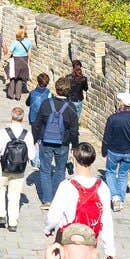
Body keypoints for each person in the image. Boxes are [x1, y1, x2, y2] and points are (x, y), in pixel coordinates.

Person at [44, 143, 116, 259]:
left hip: (68, 239)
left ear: (73, 157)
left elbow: (53, 216)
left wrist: (49, 229)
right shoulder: (102, 187)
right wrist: (110, 251)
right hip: (90, 240)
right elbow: (106, 220)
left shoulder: (66, 185)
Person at [0, 107, 35, 231]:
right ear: (23, 118)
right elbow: (31, 156)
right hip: (19, 169)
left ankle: (0, 216)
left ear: (11, 117)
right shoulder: (27, 134)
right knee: (15, 195)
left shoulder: (4, 132)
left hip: (3, 167)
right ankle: (12, 222)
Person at [32, 77, 79, 208]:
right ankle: (57, 198)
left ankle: (47, 200)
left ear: (56, 89)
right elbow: (74, 130)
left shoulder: (47, 103)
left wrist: (35, 139)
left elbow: (37, 124)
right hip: (63, 143)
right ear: (68, 90)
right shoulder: (71, 108)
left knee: (45, 170)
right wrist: (74, 147)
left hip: (46, 142)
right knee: (59, 170)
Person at [101, 91, 130, 212]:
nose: (118, 103)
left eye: (119, 101)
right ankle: (120, 200)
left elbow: (107, 137)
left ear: (122, 104)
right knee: (123, 174)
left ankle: (115, 196)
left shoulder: (113, 118)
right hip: (129, 152)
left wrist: (103, 152)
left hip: (114, 151)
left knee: (110, 172)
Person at [7, 27, 33, 100]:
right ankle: (18, 96)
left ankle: (10, 94)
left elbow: (10, 52)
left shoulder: (15, 42)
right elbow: (29, 53)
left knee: (12, 78)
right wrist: (29, 61)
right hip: (24, 61)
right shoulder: (28, 41)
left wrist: (6, 59)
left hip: (16, 61)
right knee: (20, 79)